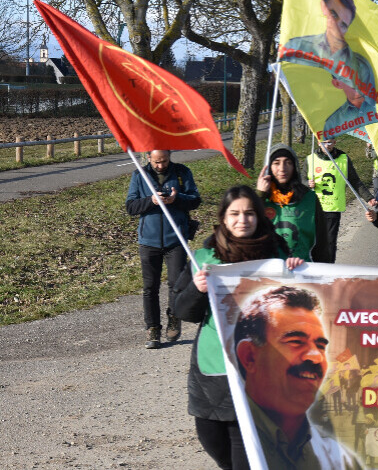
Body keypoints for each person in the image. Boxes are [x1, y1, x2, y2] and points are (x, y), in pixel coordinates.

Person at [172, 185, 303, 470]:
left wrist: (298, 272)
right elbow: (182, 311)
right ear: (223, 217)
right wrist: (196, 289)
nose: (242, 220)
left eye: (249, 213)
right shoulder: (203, 258)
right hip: (213, 365)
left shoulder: (277, 255)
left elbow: (301, 308)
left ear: (259, 216)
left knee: (243, 447)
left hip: (260, 368)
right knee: (211, 438)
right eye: (234, 214)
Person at [235, 286, 361, 469]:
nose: (316, 357)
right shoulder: (236, 438)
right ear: (249, 357)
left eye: (320, 346)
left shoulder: (338, 458)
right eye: (295, 342)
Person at [126, 149, 201, 349]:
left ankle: (174, 318)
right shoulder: (139, 175)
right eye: (156, 162)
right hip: (148, 241)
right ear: (148, 158)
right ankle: (152, 328)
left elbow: (195, 200)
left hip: (176, 238)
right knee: (150, 287)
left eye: (164, 161)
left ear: (169, 157)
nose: (161, 166)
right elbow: (131, 207)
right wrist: (151, 201)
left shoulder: (182, 172)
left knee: (176, 283)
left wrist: (177, 198)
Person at [257, 144, 331, 262]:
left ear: (294, 166)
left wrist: (325, 268)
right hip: (268, 270)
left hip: (303, 268)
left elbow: (321, 242)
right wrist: (260, 195)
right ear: (268, 167)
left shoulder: (309, 198)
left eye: (288, 163)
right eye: (276, 163)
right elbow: (246, 232)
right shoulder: (260, 199)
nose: (282, 168)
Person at [306, 137, 374, 262]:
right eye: (324, 142)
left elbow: (355, 181)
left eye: (330, 142)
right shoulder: (310, 159)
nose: (327, 145)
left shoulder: (343, 159)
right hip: (313, 209)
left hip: (332, 208)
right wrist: (307, 183)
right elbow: (299, 181)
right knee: (313, 242)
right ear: (318, 143)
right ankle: (315, 267)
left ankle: (329, 268)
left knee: (330, 242)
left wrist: (368, 198)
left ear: (335, 142)